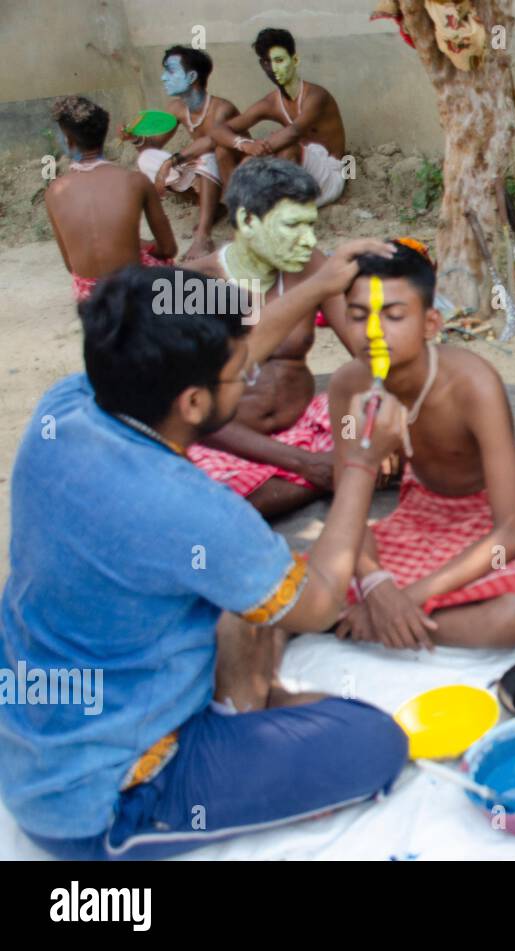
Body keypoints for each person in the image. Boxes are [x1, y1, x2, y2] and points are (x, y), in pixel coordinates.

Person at [0, 240, 412, 860]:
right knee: (374, 742)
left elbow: (218, 356)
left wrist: (321, 281)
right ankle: (229, 728)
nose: (251, 372)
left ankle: (244, 702)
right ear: (193, 403)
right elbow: (321, 604)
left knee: (248, 591)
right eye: (239, 375)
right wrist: (356, 461)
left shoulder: (71, 405)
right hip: (107, 801)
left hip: (42, 729)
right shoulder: (190, 508)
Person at [327, 240, 515, 650]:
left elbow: (512, 533)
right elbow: (348, 510)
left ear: (431, 323)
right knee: (298, 587)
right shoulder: (347, 387)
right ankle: (402, 625)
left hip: (486, 526)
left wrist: (404, 600)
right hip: (415, 517)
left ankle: (373, 627)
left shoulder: (474, 385)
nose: (373, 332)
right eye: (358, 317)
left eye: (393, 316)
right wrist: (376, 585)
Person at [182, 159, 354, 518]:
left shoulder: (309, 263)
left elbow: (366, 351)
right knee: (201, 500)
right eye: (292, 226)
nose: (308, 240)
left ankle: (317, 478)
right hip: (229, 444)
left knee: (395, 424)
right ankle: (323, 479)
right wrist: (307, 465)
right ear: (247, 221)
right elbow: (190, 413)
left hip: (306, 425)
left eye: (311, 226)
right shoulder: (190, 284)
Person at [43, 96, 177, 302]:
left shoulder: (54, 191)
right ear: (103, 136)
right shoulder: (136, 181)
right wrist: (140, 245)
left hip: (91, 299)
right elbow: (168, 249)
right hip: (134, 293)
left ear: (69, 141)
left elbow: (72, 266)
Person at [127, 46, 242, 260]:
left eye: (170, 71)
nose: (163, 78)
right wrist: (135, 138)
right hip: (208, 170)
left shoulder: (221, 108)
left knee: (208, 155)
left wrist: (171, 162)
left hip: (236, 177)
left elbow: (211, 141)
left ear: (191, 76)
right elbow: (153, 148)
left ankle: (203, 236)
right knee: (147, 159)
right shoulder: (176, 108)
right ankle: (212, 208)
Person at [212, 28, 347, 206]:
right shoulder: (271, 102)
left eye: (279, 60)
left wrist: (251, 159)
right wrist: (245, 144)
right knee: (223, 150)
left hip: (328, 177)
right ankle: (241, 210)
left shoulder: (316, 96)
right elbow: (217, 130)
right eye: (267, 62)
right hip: (295, 171)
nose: (273, 68)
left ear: (295, 60)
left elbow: (293, 133)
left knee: (289, 147)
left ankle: (276, 213)